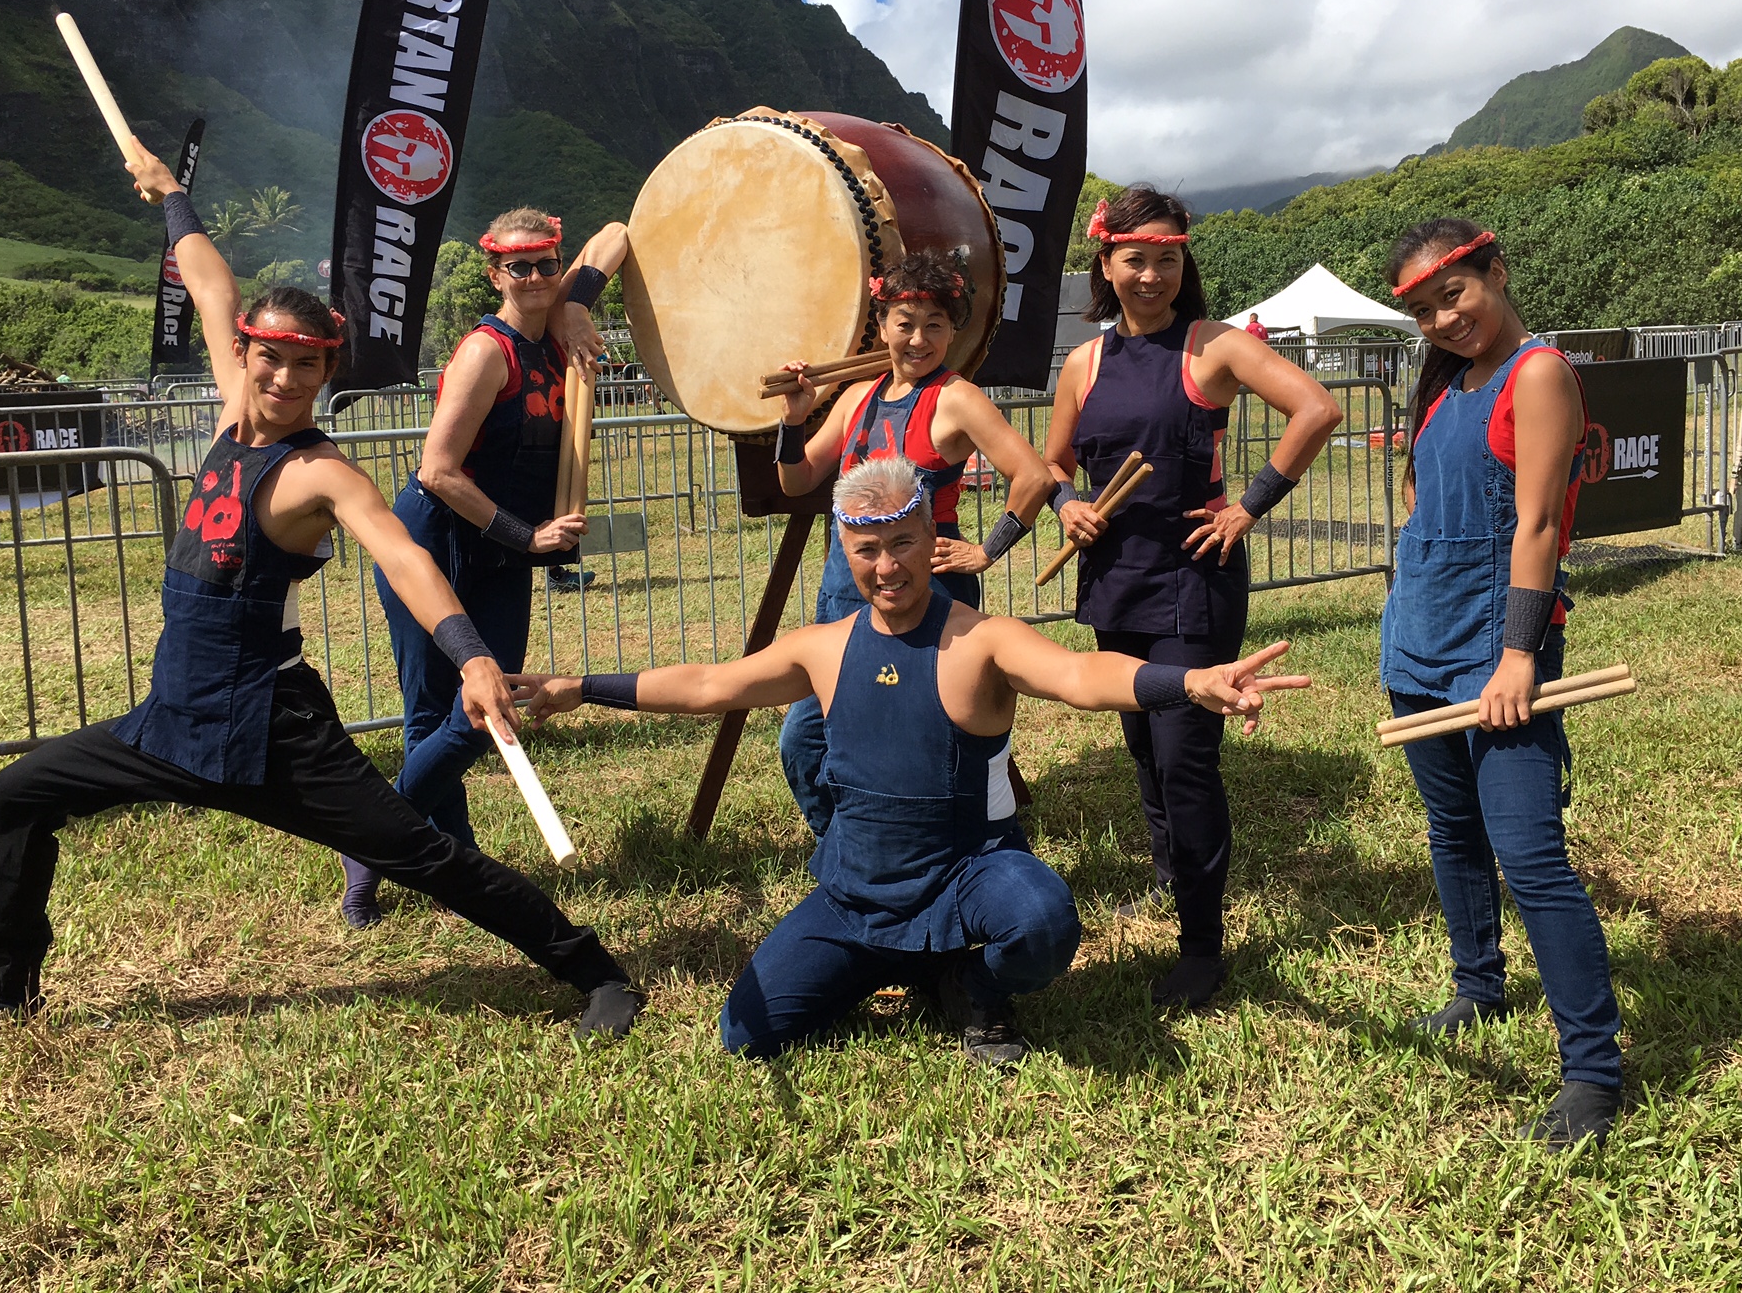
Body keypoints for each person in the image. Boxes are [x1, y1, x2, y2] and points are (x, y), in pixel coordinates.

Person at [0, 147, 642, 1042]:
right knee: (16, 796)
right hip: (171, 719)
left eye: (309, 367)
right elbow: (209, 280)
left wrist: (474, 655)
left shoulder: (320, 474)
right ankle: (6, 985)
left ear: (325, 373)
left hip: (272, 729)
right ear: (245, 354)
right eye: (271, 359)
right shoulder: (228, 410)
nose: (286, 382)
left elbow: (404, 555)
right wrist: (172, 196)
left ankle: (596, 972)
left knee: (421, 854)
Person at [514, 456, 1309, 1065]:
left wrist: (1190, 680)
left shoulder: (981, 640)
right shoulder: (822, 648)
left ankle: (974, 984)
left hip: (970, 870)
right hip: (859, 887)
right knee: (745, 1036)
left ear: (934, 540)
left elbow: (1081, 676)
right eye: (867, 550)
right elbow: (708, 684)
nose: (887, 567)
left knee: (1042, 922)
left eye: (903, 544)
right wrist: (582, 686)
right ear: (845, 552)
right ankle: (895, 966)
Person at [1043, 187, 1342, 1010]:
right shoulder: (1086, 362)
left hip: (1191, 581)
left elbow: (1317, 409)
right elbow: (1053, 463)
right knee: (1144, 756)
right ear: (1105, 263)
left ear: (1184, 262)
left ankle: (1202, 946)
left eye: (1167, 259)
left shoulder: (1212, 346)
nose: (1151, 275)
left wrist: (1249, 503)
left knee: (1185, 762)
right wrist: (1067, 500)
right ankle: (1180, 890)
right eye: (1135, 259)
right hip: (1114, 582)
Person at [1381, 218, 1624, 1149]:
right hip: (1419, 644)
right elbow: (1420, 511)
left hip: (1498, 648)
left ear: (1496, 273)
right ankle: (1477, 988)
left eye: (1457, 292)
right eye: (1425, 309)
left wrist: (1518, 655)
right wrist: (1402, 624)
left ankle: (1593, 1071)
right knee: (1451, 830)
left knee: (1530, 856)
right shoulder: (1443, 387)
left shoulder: (1537, 372)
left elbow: (1537, 530)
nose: (1445, 317)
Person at [340, 208, 630, 927]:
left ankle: (379, 840)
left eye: (546, 265)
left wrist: (574, 304)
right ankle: (437, 857)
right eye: (518, 267)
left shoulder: (556, 328)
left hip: (500, 548)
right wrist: (526, 537)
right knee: (435, 710)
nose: (533, 278)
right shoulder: (486, 351)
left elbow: (620, 231)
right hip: (436, 542)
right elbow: (437, 472)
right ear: (494, 273)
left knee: (482, 708)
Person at [770, 248, 1055, 833]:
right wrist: (792, 420)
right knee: (805, 740)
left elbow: (1033, 475)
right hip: (846, 591)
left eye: (935, 325)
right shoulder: (855, 398)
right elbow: (796, 478)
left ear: (953, 331)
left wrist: (987, 549)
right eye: (905, 324)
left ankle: (957, 843)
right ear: (881, 326)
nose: (918, 339)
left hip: (933, 593)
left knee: (935, 730)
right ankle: (850, 844)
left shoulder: (956, 397)